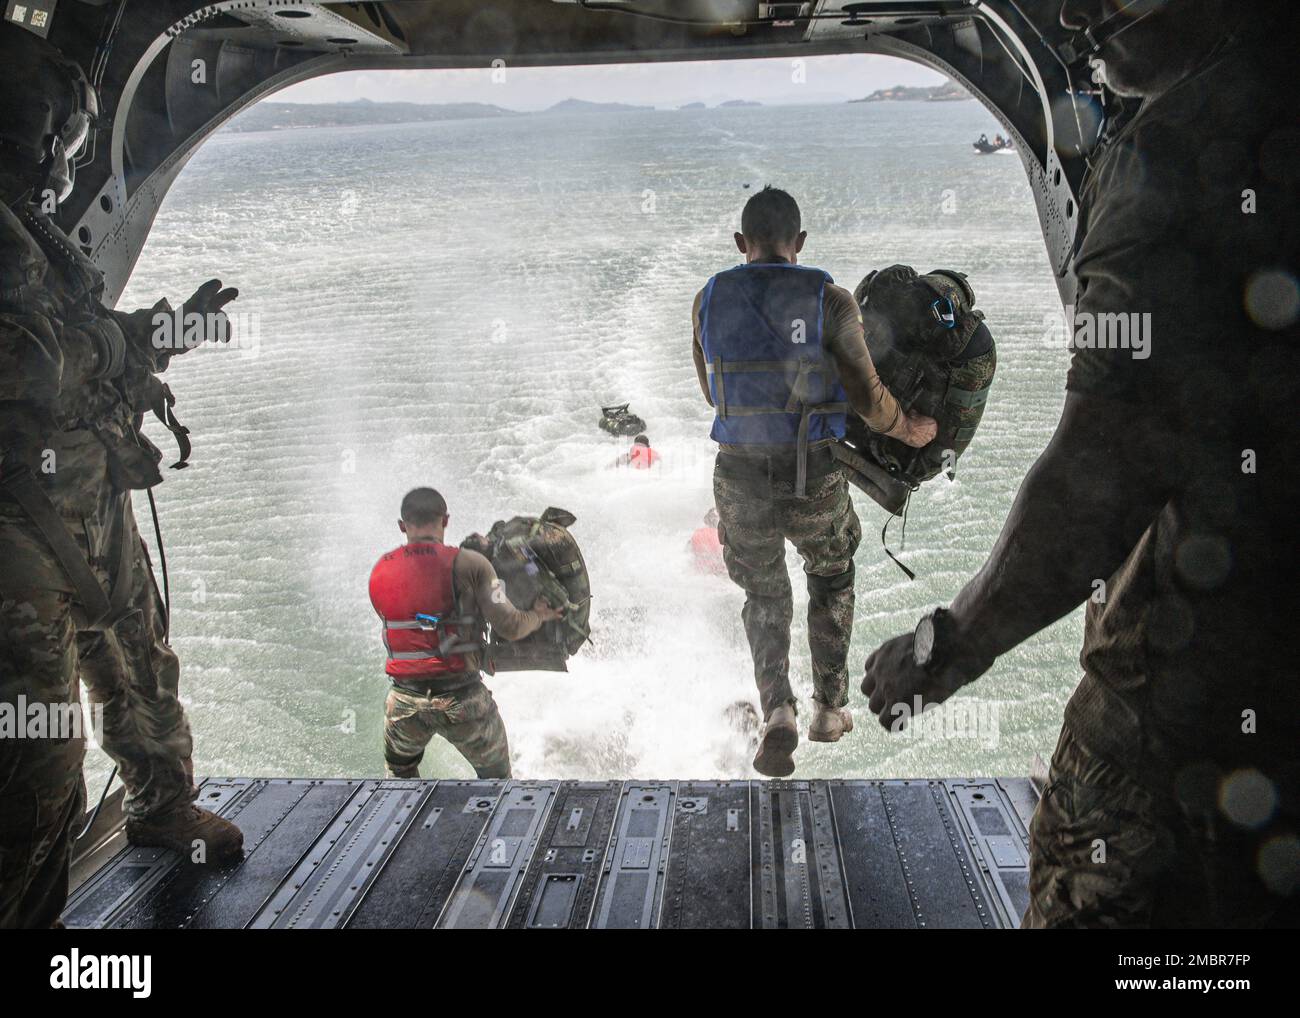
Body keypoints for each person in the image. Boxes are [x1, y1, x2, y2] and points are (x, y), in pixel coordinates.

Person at [860, 0, 1299, 927]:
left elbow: (1103, 468)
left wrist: (945, 648)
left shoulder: (1176, 152)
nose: (1073, 14)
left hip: (1194, 713)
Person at [0, 29, 242, 929]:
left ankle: (161, 804)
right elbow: (30, 367)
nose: (66, 162)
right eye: (60, 142)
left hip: (85, 505)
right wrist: (117, 345)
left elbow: (76, 353)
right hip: (19, 536)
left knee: (140, 662)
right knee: (34, 763)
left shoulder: (34, 236)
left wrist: (159, 334)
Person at [692, 186, 936, 777]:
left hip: (739, 476)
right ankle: (829, 708)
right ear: (799, 244)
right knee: (831, 578)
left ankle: (779, 712)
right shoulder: (831, 301)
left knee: (765, 594)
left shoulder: (708, 299)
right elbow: (868, 397)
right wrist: (910, 428)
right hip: (813, 477)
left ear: (740, 243)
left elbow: (710, 392)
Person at [368, 487, 562, 780]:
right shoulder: (472, 565)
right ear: (445, 520)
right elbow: (510, 626)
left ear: (401, 525)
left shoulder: (379, 570)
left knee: (399, 774)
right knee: (498, 782)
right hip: (462, 700)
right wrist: (539, 615)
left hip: (404, 702)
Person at [689, 508, 726, 575]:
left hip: (699, 572)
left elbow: (688, 552)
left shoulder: (697, 533)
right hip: (718, 573)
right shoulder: (722, 535)